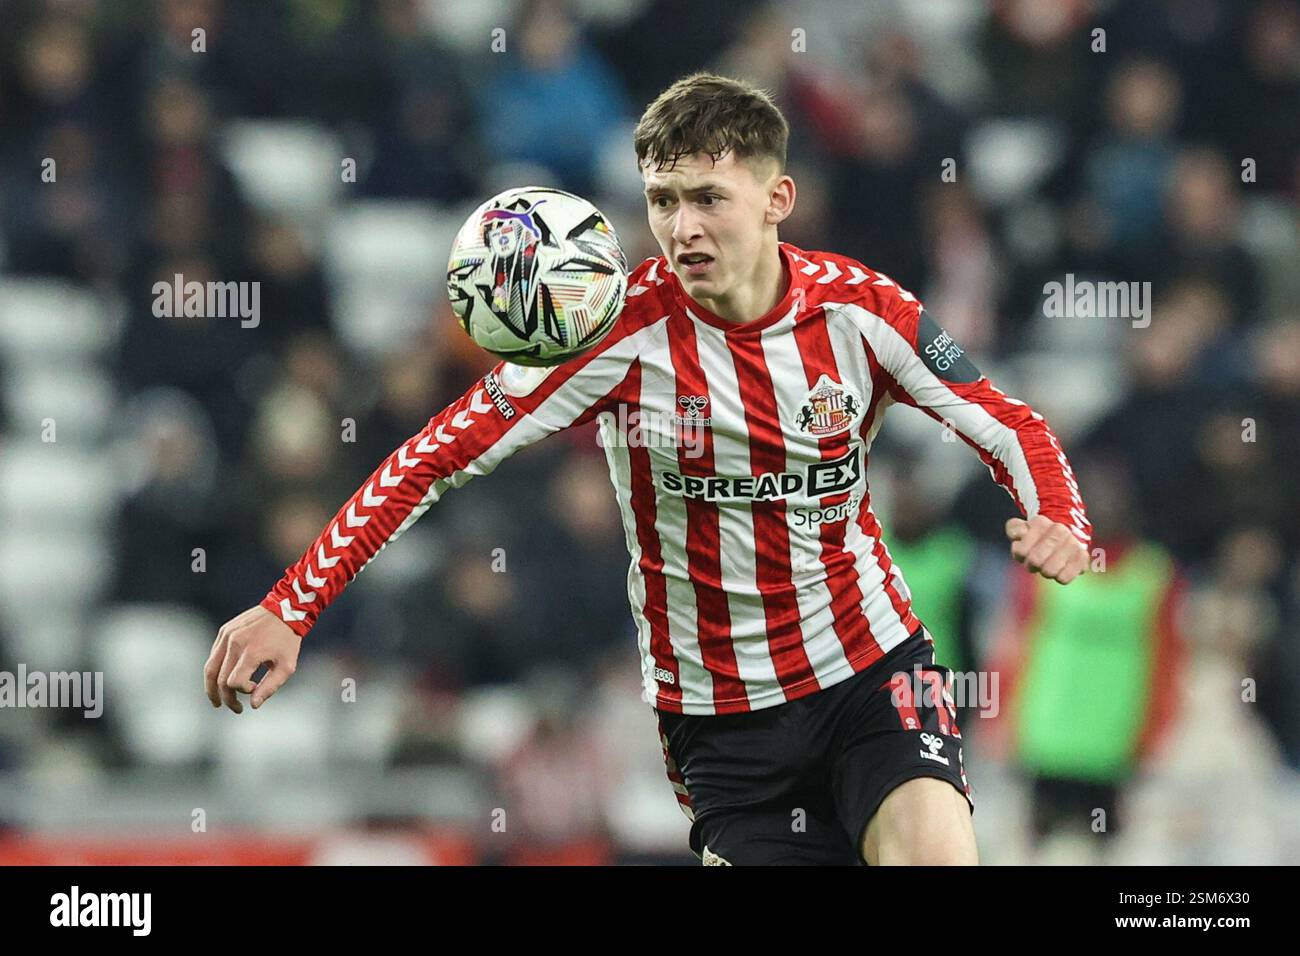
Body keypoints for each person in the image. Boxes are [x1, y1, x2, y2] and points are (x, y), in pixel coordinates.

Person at [204, 73, 1091, 866]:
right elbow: (426, 462)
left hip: (870, 669)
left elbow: (1010, 424)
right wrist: (292, 607)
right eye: (664, 200)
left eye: (708, 197)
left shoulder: (864, 312)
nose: (682, 226)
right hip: (722, 721)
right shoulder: (611, 335)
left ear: (778, 197)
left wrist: (1058, 514)